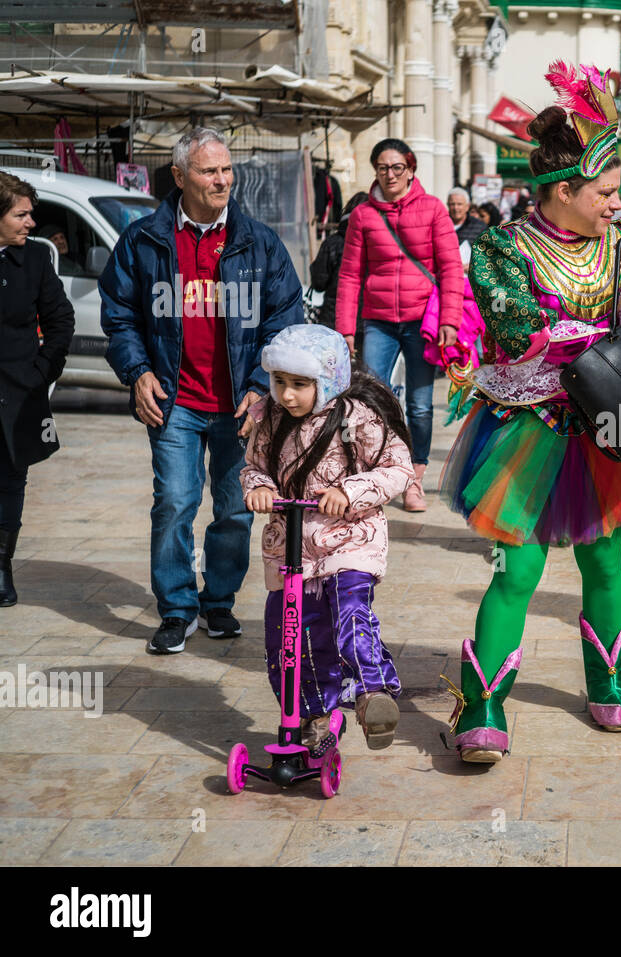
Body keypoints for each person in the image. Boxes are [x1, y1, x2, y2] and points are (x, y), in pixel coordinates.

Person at [439, 61, 621, 763]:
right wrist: (597, 333)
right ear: (563, 190)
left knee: (605, 563)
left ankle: (609, 675)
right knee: (517, 571)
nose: (617, 203)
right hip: (531, 428)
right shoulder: (502, 248)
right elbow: (517, 335)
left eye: (618, 191)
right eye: (606, 192)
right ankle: (481, 702)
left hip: (606, 430)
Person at [100, 127, 303, 654]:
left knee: (235, 508)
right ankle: (176, 607)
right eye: (210, 171)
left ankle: (218, 602)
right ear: (179, 176)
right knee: (174, 502)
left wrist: (263, 385)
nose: (223, 180)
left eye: (227, 169)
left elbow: (285, 318)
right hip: (175, 403)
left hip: (242, 407)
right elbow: (119, 315)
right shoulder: (144, 240)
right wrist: (137, 370)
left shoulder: (258, 241)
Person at [242, 325, 413, 752]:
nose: (286, 395)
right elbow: (254, 466)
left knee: (349, 616)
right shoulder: (269, 417)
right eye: (279, 382)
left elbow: (397, 468)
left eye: (299, 385)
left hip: (351, 540)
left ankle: (374, 693)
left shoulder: (358, 418)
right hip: (292, 548)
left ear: (329, 379)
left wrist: (349, 492)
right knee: (290, 637)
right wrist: (259, 487)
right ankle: (315, 716)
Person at [333, 137, 464, 512]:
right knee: (371, 401)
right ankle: (378, 474)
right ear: (375, 170)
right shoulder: (363, 215)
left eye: (397, 168)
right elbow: (350, 275)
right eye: (382, 168)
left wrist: (450, 320)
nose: (390, 175)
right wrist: (345, 328)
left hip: (422, 320)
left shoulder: (434, 209)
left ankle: (413, 479)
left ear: (410, 169)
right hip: (378, 321)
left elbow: (451, 269)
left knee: (420, 405)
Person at [0, 172, 75, 606]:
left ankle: (2, 567)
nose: (31, 223)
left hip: (21, 394)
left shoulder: (35, 262)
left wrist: (43, 371)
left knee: (12, 481)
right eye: (21, 214)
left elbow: (61, 320)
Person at [307, 192, 366, 330]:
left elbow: (318, 283)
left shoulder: (332, 243)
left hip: (333, 320)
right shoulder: (377, 244)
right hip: (368, 324)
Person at [447, 186, 486, 258]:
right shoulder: (441, 225)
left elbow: (486, 253)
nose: (456, 208)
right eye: (452, 204)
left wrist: (472, 264)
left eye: (459, 204)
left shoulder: (479, 227)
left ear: (467, 206)